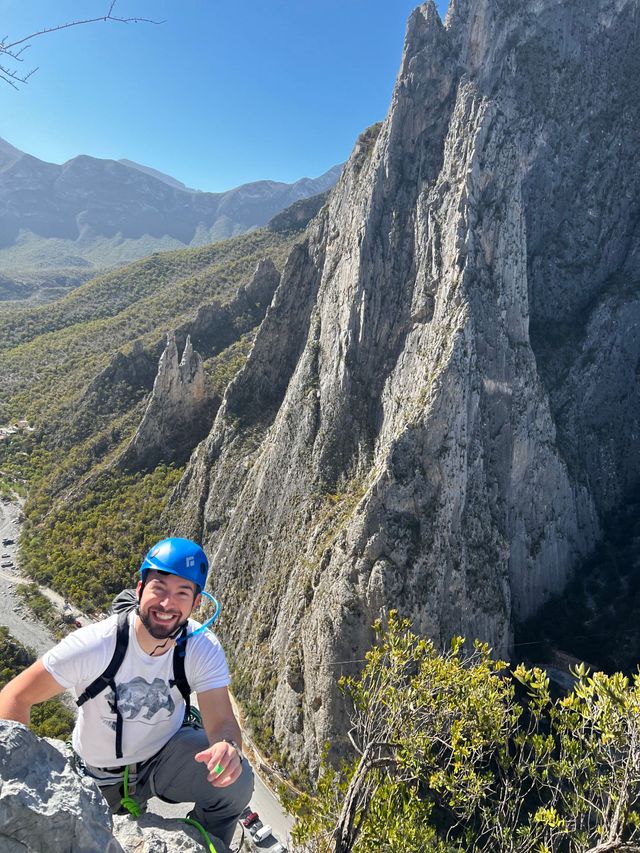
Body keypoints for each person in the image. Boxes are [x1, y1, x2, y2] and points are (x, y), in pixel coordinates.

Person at [0, 537, 253, 847]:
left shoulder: (201, 647)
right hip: (99, 776)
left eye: (182, 593)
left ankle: (205, 842)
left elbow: (222, 722)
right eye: (158, 588)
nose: (166, 604)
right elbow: (16, 696)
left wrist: (227, 747)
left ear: (195, 603)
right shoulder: (96, 644)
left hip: (164, 757)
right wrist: (17, 777)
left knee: (237, 781)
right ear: (140, 589)